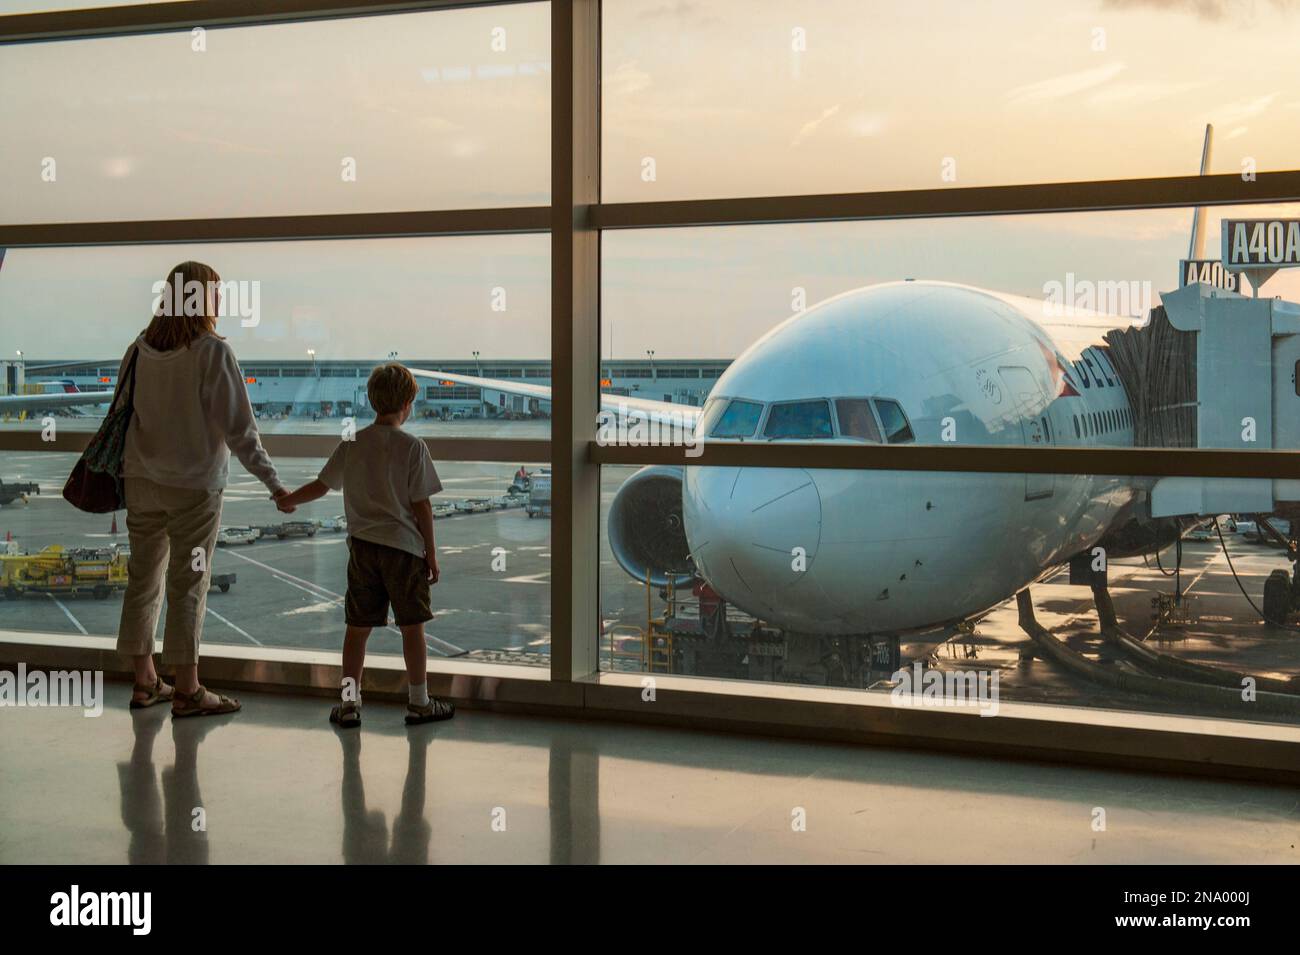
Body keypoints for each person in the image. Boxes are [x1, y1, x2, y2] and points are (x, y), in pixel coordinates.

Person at [117, 260, 289, 716]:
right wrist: (274, 484)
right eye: (215, 292)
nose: (219, 301)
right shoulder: (212, 352)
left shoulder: (138, 349)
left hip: (140, 483)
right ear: (200, 297)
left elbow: (123, 415)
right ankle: (189, 690)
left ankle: (144, 681)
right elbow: (241, 432)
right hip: (193, 487)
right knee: (188, 584)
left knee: (143, 581)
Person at [276, 362, 453, 727]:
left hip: (363, 548)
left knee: (356, 630)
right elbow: (422, 504)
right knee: (412, 628)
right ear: (407, 404)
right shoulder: (413, 446)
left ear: (372, 402)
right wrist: (431, 552)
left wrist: (289, 498)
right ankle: (419, 701)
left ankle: (349, 703)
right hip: (404, 549)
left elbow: (323, 484)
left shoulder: (353, 442)